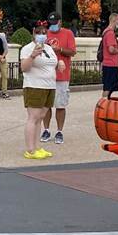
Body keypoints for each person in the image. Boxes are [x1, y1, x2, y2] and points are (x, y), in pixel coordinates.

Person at [20, 20, 57, 160]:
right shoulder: (27, 49)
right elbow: (24, 67)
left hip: (49, 86)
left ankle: (36, 146)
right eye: (38, 32)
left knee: (41, 117)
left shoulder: (48, 48)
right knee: (33, 117)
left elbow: (52, 63)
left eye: (44, 33)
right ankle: (30, 149)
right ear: (33, 33)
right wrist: (33, 55)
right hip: (34, 86)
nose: (42, 35)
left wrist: (58, 64)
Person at [41, 12, 76, 143]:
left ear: (60, 22)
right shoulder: (45, 34)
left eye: (55, 23)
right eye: (51, 24)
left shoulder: (68, 33)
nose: (53, 26)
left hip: (62, 76)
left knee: (60, 105)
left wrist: (59, 49)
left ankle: (59, 131)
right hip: (46, 75)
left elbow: (72, 51)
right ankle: (46, 130)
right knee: (46, 105)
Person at [100, 12, 118, 98]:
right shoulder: (110, 33)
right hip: (110, 64)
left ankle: (105, 104)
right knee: (108, 88)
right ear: (114, 20)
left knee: (108, 87)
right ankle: (104, 105)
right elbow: (111, 49)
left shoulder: (107, 31)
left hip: (109, 64)